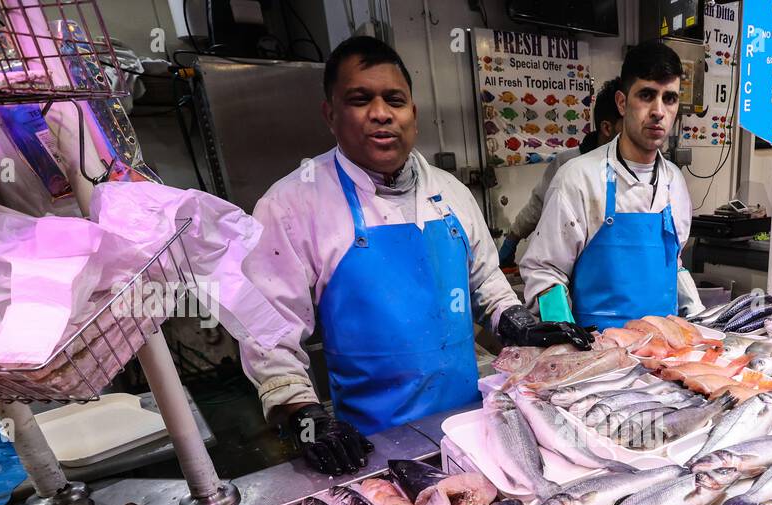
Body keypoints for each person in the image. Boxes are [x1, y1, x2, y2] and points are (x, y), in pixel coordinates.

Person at [240, 37, 589, 476]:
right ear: (330, 114)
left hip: (472, 425)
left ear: (413, 115)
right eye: (360, 99)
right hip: (370, 447)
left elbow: (487, 286)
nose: (381, 113)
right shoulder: (292, 205)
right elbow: (268, 334)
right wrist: (303, 415)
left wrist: (518, 321)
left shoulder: (452, 193)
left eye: (395, 100)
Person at [520, 40, 702, 328]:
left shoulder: (674, 182)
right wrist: (568, 339)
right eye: (646, 95)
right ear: (621, 102)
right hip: (600, 356)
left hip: (664, 355)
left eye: (669, 98)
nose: (658, 111)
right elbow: (544, 272)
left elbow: (674, 265)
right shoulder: (578, 178)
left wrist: (699, 318)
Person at [498, 79, 623, 267]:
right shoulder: (568, 164)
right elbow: (537, 205)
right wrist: (512, 239)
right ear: (607, 128)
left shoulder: (647, 173)